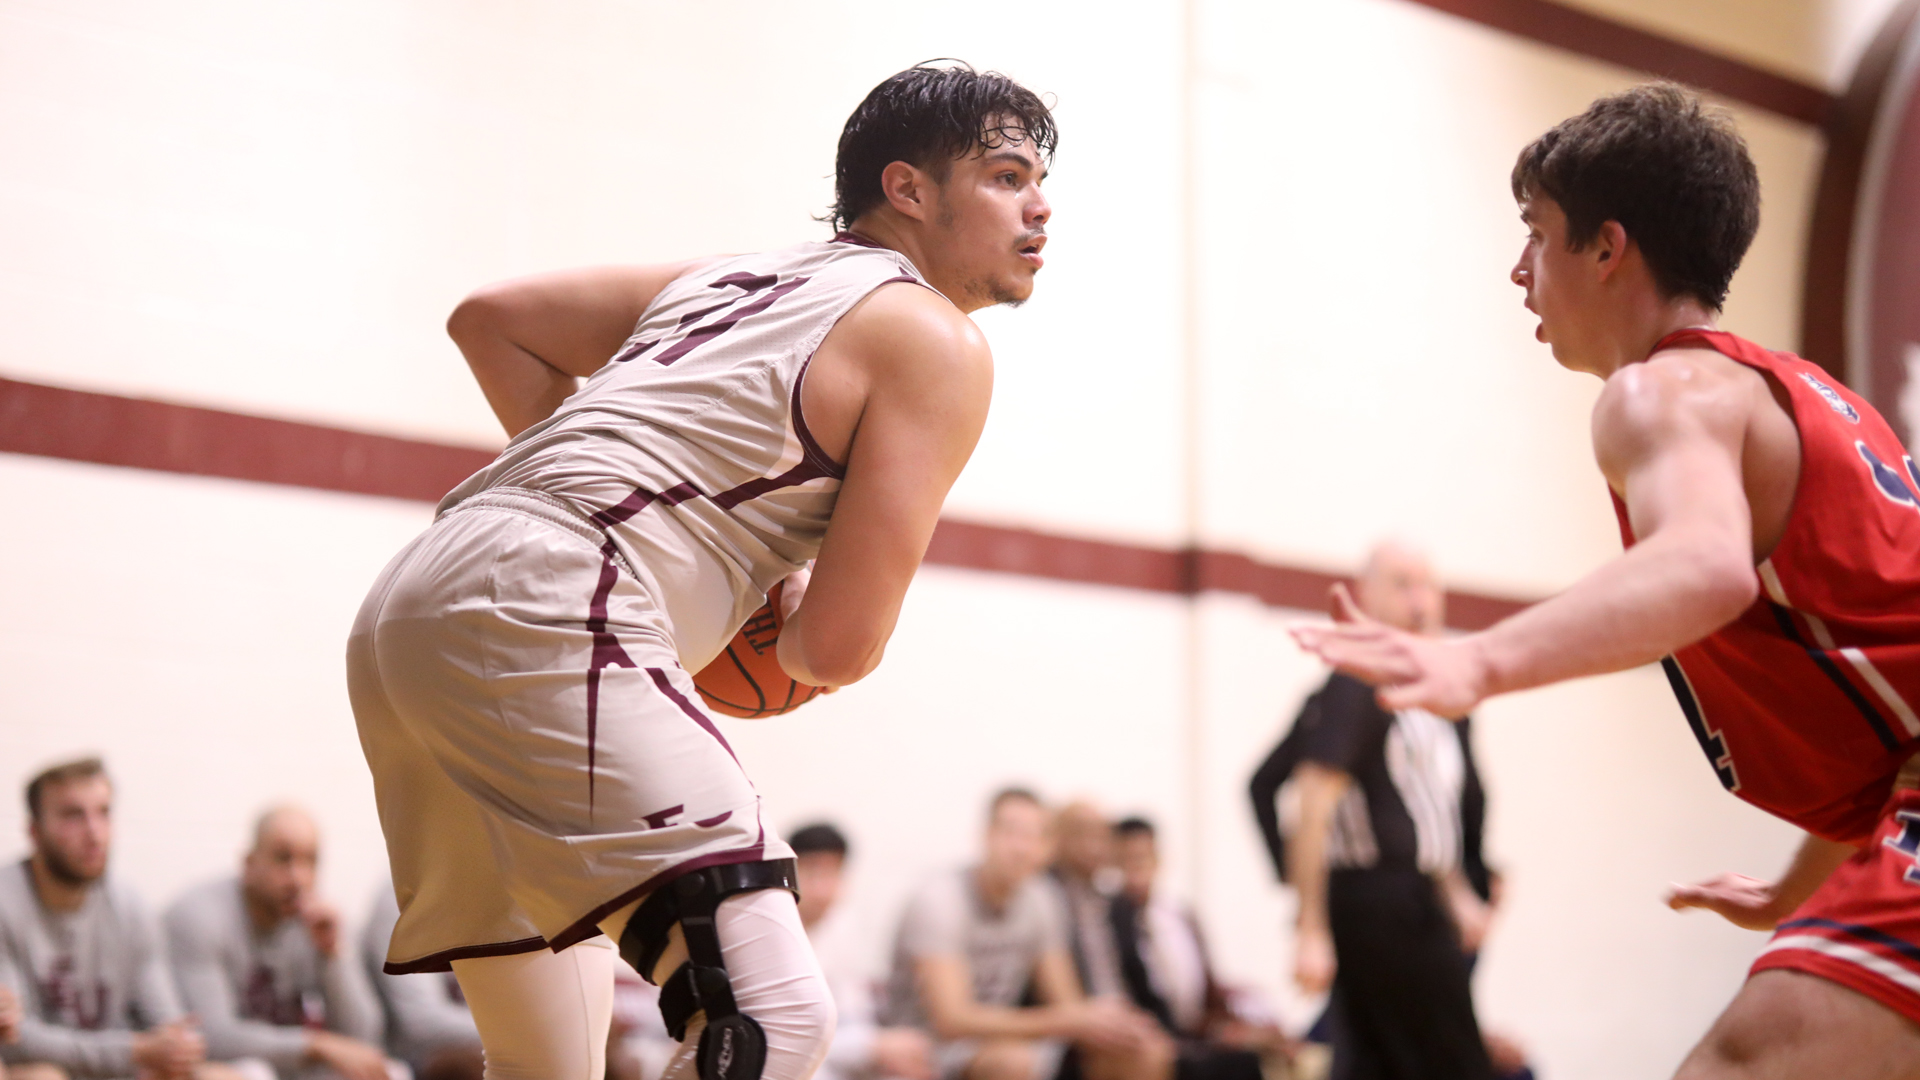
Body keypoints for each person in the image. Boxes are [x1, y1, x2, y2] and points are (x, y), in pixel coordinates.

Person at [345, 59, 1056, 1080]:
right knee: (771, 1019)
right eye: (1006, 175)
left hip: (410, 603)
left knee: (544, 1059)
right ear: (906, 189)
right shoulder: (931, 337)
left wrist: (599, 498)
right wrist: (766, 609)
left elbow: (490, 320)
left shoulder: (729, 278)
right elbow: (834, 647)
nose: (1040, 206)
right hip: (560, 600)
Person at [1294, 82, 1920, 1078]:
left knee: (1745, 1059)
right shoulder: (1809, 396)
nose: (1517, 269)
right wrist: (1798, 881)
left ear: (1607, 247)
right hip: (1900, 809)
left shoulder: (1658, 392)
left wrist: (1479, 662)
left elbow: (1703, 565)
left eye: (1535, 233)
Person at [1262, 541, 1494, 1080]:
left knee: (1382, 1063)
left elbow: (1426, 812)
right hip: (1374, 900)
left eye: (1427, 584)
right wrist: (1310, 927)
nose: (1420, 599)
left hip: (1415, 899)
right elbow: (1312, 799)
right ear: (1366, 596)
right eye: (1401, 583)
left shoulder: (1434, 696)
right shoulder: (1358, 681)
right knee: (1452, 1059)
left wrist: (1454, 892)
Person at [884, 789, 1171, 1080]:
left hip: (1002, 1037)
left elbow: (1064, 1001)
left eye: (1036, 836)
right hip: (923, 1046)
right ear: (985, 835)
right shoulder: (940, 900)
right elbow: (951, 1019)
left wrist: (1101, 1020)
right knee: (1013, 1063)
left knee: (1143, 1048)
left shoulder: (1041, 900)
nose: (1022, 847)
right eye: (1011, 832)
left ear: (1049, 847)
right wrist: (1067, 1019)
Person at [0, 757, 244, 1080]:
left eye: (104, 812)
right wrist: (133, 1050)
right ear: (34, 830)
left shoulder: (131, 906)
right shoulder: (7, 902)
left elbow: (167, 1022)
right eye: (74, 815)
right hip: (49, 1071)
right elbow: (16, 1041)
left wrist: (177, 1047)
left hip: (115, 1069)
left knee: (225, 1076)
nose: (94, 832)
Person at [166, 808, 393, 1080]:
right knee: (254, 1074)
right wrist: (316, 1045)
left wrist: (333, 955)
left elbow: (364, 1035)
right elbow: (213, 1037)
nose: (298, 878)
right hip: (226, 1069)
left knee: (388, 1071)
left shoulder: (314, 922)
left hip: (288, 1066)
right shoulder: (199, 915)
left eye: (310, 861)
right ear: (248, 864)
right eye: (283, 859)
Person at [1108, 818, 1284, 1080]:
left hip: (1196, 1032)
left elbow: (1208, 991)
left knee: (1247, 1058)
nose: (1136, 870)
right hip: (1147, 1037)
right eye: (1127, 860)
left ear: (1158, 859)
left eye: (1142, 859)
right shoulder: (1107, 920)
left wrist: (1235, 1026)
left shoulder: (1180, 916)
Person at [789, 823, 932, 1080]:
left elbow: (855, 1015)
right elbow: (787, 1039)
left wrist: (882, 1048)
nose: (823, 890)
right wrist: (871, 1045)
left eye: (834, 873)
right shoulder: (771, 932)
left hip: (842, 1051)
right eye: (812, 873)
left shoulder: (844, 925)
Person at [360, 884, 481, 1080]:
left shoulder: (490, 891)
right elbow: (422, 1022)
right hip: (417, 1059)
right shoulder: (403, 896)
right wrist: (520, 1032)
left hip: (478, 1045)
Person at [1046, 804, 1125, 1002]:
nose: (1094, 847)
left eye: (1102, 836)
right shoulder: (1045, 897)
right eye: (1081, 834)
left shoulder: (1113, 901)